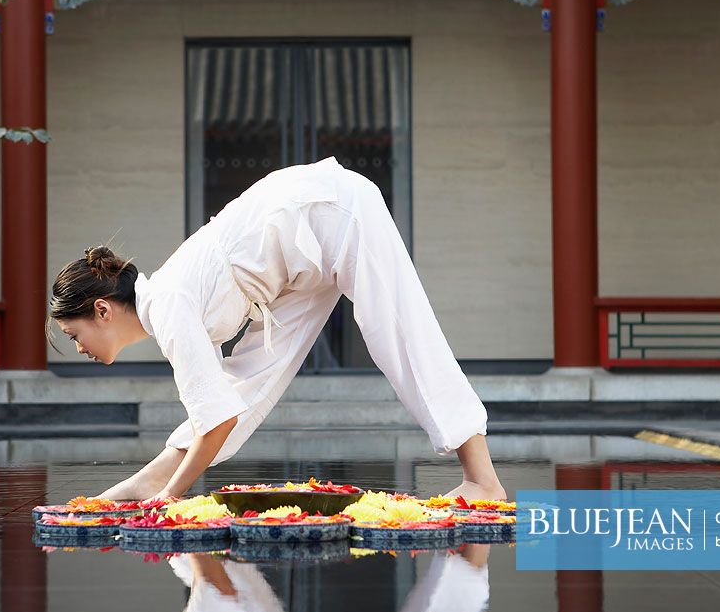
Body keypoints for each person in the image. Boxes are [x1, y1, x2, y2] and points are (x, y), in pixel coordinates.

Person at [48, 157, 507, 502]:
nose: (79, 348)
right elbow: (223, 407)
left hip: (329, 210)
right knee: (247, 380)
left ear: (103, 309)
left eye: (74, 335)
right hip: (292, 262)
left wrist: (170, 502)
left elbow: (217, 420)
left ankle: (482, 479)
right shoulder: (166, 302)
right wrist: (136, 495)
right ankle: (148, 480)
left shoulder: (167, 305)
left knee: (402, 333)